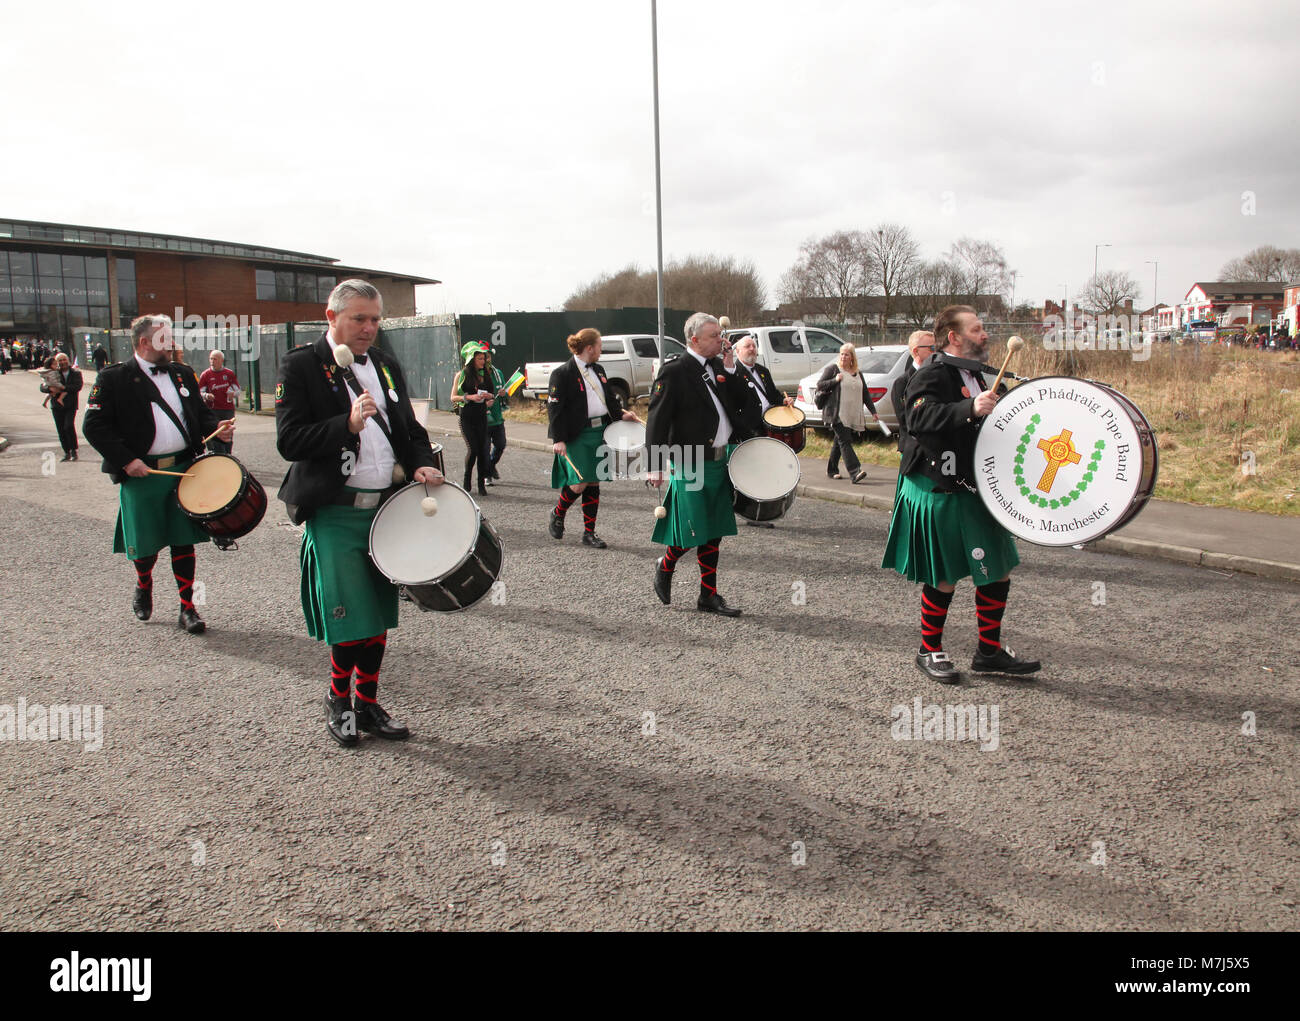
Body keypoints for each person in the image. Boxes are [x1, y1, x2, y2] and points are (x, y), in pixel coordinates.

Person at [275, 279, 444, 748]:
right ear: (331, 318)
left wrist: (421, 462)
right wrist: (344, 424)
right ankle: (338, 701)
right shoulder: (302, 365)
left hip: (386, 508)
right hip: (336, 510)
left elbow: (408, 429)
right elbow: (289, 440)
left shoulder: (385, 364)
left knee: (379, 611)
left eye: (375, 319)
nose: (369, 328)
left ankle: (367, 703)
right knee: (350, 614)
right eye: (359, 319)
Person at [880, 304, 1040, 684]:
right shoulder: (932, 374)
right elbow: (919, 420)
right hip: (941, 487)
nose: (985, 335)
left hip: (977, 489)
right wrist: (969, 407)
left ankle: (989, 652)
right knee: (944, 574)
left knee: (996, 571)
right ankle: (929, 650)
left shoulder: (977, 375)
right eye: (978, 329)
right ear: (954, 337)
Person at [82, 314, 235, 635]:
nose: (173, 344)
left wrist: (215, 429)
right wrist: (126, 461)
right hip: (142, 474)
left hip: (184, 471)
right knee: (147, 544)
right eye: (165, 338)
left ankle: (187, 608)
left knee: (184, 542)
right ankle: (143, 584)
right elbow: (93, 426)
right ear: (144, 343)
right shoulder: (114, 379)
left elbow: (200, 414)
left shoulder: (182, 374)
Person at [646, 312, 752, 615]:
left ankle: (708, 595)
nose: (721, 340)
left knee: (715, 529)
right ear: (694, 339)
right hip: (689, 458)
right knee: (696, 528)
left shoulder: (719, 365)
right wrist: (655, 464)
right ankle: (665, 565)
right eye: (713, 336)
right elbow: (657, 419)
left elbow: (742, 401)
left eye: (720, 335)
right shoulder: (674, 372)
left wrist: (732, 369)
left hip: (721, 459)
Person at [546, 328, 639, 548]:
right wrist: (558, 439)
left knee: (594, 481)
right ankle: (558, 513)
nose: (601, 350)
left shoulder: (599, 369)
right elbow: (555, 409)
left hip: (600, 432)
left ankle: (589, 533)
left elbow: (609, 400)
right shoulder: (562, 373)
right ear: (589, 348)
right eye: (599, 346)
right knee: (579, 483)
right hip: (577, 434)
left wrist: (623, 415)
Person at [815, 343, 879, 483]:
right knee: (845, 440)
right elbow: (820, 385)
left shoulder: (858, 373)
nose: (843, 357)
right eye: (842, 354)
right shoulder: (833, 369)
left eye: (846, 354)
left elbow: (865, 394)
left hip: (851, 413)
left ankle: (832, 470)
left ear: (852, 357)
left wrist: (873, 411)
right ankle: (855, 471)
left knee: (839, 441)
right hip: (836, 413)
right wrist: (835, 380)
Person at [450, 342, 493, 495]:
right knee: (473, 449)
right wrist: (470, 397)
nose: (483, 361)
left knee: (483, 451)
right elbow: (453, 397)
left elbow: (492, 394)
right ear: (471, 360)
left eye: (484, 358)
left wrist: (489, 396)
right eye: (480, 358)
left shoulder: (485, 374)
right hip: (466, 417)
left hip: (481, 416)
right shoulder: (461, 375)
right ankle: (466, 480)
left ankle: (481, 485)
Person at [890, 330, 935, 451]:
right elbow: (905, 419)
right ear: (916, 351)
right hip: (913, 448)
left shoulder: (938, 377)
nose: (935, 352)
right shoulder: (902, 382)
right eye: (932, 348)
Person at [198, 349, 240, 454]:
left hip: (227, 410)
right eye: (211, 359)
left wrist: (233, 394)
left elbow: (238, 390)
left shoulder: (229, 374)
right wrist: (207, 395)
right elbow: (200, 392)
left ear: (221, 360)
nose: (212, 361)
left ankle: (228, 455)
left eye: (215, 359)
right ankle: (217, 455)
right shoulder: (205, 375)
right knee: (215, 435)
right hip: (213, 410)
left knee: (227, 434)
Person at [44, 353, 83, 461]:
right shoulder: (53, 373)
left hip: (70, 405)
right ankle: (66, 452)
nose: (62, 362)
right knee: (61, 429)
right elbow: (43, 386)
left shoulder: (75, 373)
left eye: (64, 360)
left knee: (68, 426)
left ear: (68, 360)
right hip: (57, 406)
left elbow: (77, 386)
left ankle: (74, 450)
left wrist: (62, 389)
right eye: (60, 360)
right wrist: (49, 389)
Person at [483, 348, 509, 484]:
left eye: (488, 357)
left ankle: (491, 465)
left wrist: (504, 393)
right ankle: (487, 474)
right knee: (485, 449)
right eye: (484, 358)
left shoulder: (497, 373)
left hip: (497, 418)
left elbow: (504, 392)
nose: (487, 360)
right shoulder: (477, 375)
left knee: (501, 445)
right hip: (483, 420)